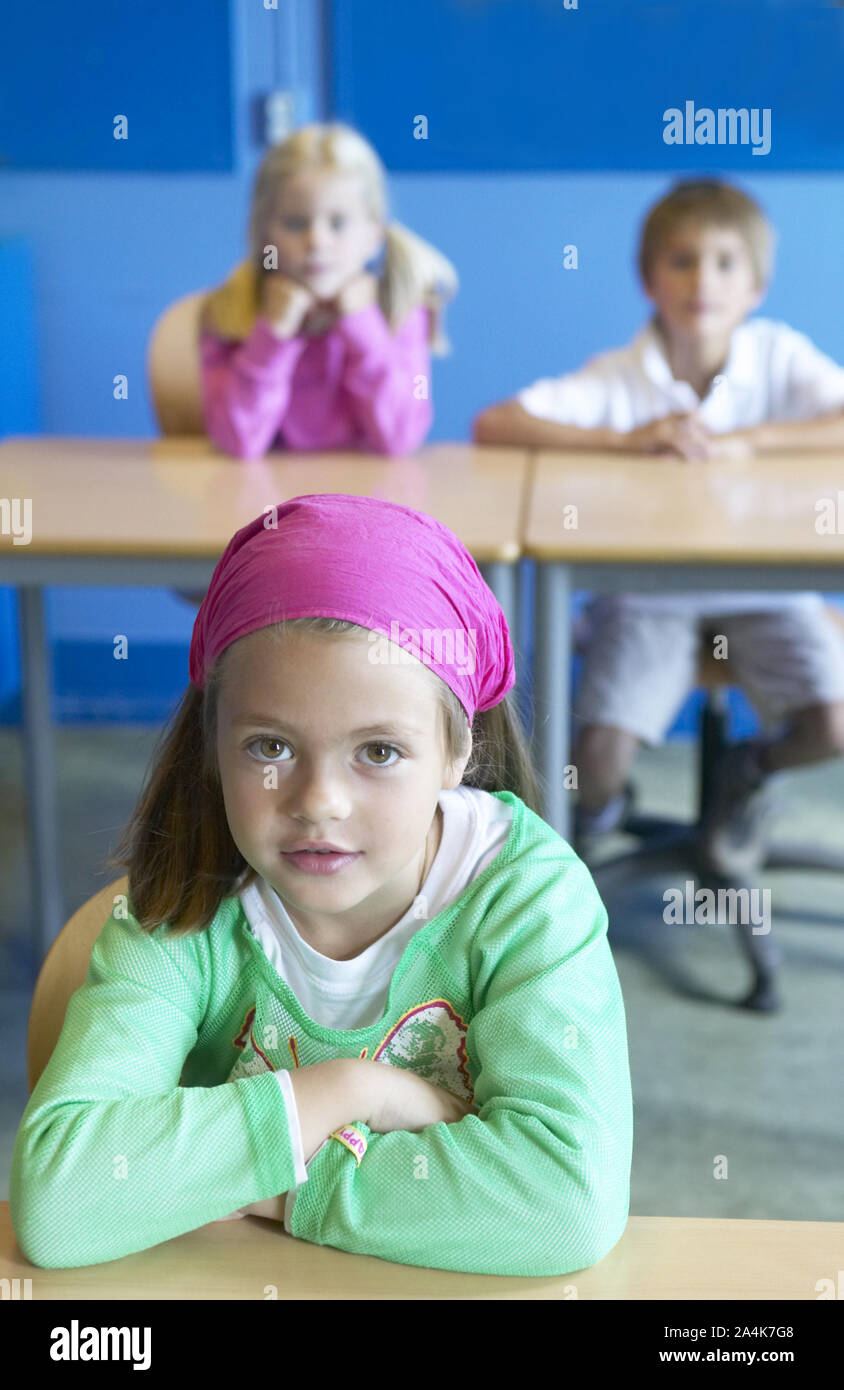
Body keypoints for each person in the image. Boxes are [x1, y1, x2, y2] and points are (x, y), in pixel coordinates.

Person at [10, 494, 633, 1276]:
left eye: (377, 752)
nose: (318, 804)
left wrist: (285, 1186)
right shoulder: (179, 908)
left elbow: (564, 1206)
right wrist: (349, 1090)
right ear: (212, 744)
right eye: (270, 744)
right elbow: (62, 1204)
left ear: (455, 750)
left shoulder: (528, 901)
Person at [473, 179, 844, 875]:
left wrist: (750, 442)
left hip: (765, 596)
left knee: (834, 725)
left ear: (756, 285)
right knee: (596, 763)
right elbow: (497, 422)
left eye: (725, 263)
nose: (703, 280)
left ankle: (746, 771)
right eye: (682, 261)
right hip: (649, 601)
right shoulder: (621, 376)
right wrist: (629, 440)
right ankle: (603, 817)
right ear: (650, 278)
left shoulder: (779, 357)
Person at [199, 122, 458, 460]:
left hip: (369, 500)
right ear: (264, 236)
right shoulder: (230, 311)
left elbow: (401, 437)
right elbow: (237, 442)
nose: (317, 242)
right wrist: (271, 336)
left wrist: (364, 329)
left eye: (337, 224)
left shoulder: (400, 309)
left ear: (374, 235)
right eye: (295, 223)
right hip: (271, 504)